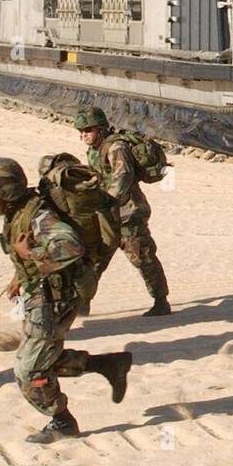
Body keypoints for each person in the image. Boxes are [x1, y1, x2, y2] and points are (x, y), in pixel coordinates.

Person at [0, 158, 132, 444]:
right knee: (39, 359)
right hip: (41, 295)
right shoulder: (20, 211)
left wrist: (29, 255)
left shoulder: (39, 214)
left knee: (28, 370)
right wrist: (19, 276)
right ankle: (108, 365)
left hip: (55, 298)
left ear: (7, 193)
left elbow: (70, 246)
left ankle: (63, 421)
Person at [74, 107, 171, 317]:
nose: (83, 135)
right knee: (94, 261)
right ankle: (82, 304)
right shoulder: (95, 149)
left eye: (87, 130)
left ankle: (160, 300)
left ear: (100, 128)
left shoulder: (115, 147)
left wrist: (107, 202)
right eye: (80, 131)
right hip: (107, 216)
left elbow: (123, 177)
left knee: (143, 259)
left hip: (128, 214)